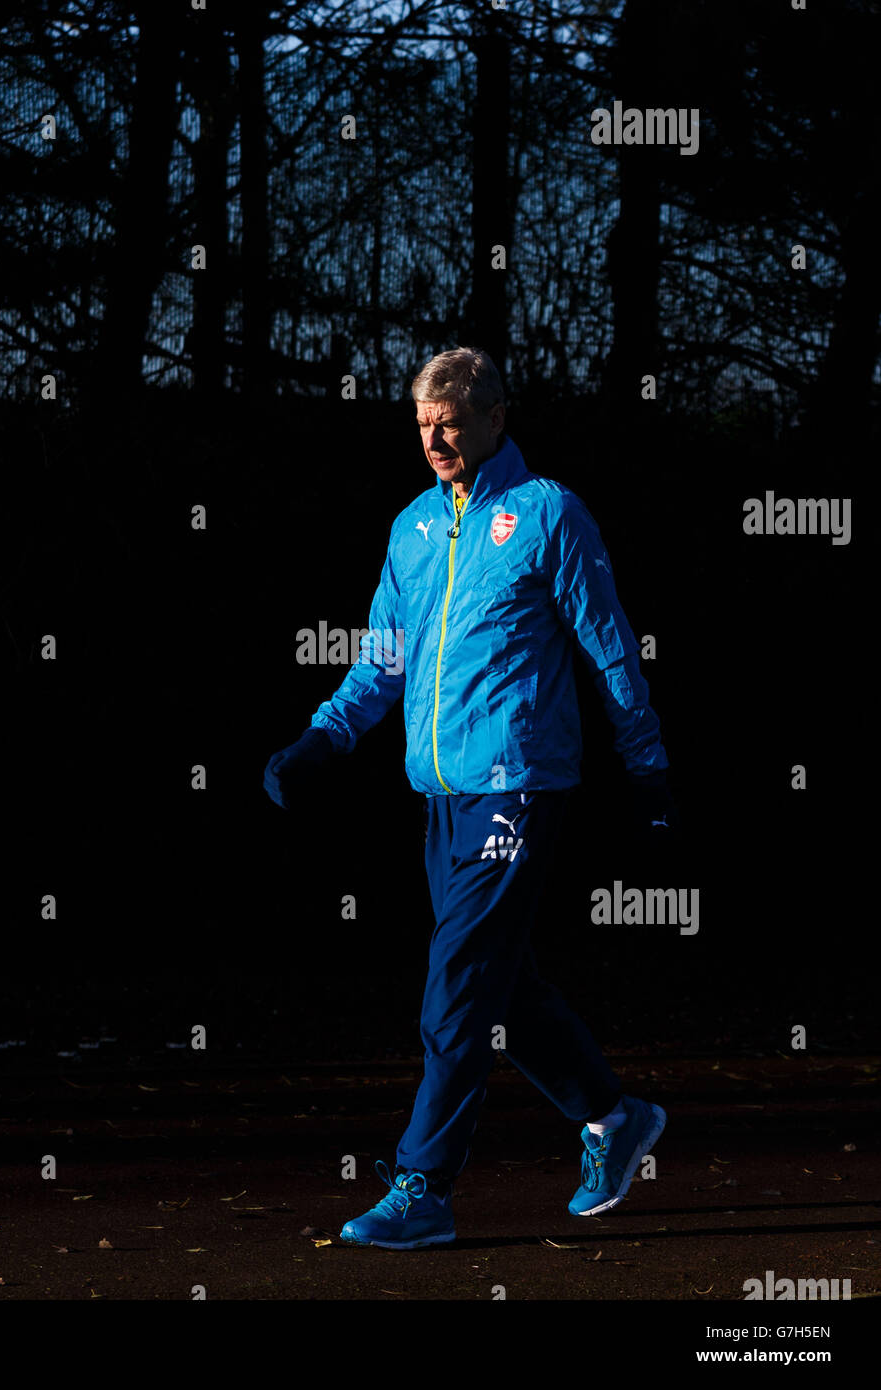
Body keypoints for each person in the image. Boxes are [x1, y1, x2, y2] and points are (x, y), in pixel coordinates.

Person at [263, 347, 676, 1250]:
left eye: (450, 420)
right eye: (421, 423)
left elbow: (608, 647)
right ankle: (613, 1119)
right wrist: (322, 739)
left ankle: (423, 1186)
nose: (434, 437)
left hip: (517, 787)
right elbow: (383, 660)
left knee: (454, 988)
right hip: (441, 798)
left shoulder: (546, 514)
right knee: (502, 987)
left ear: (495, 417)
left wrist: (646, 767)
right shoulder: (411, 528)